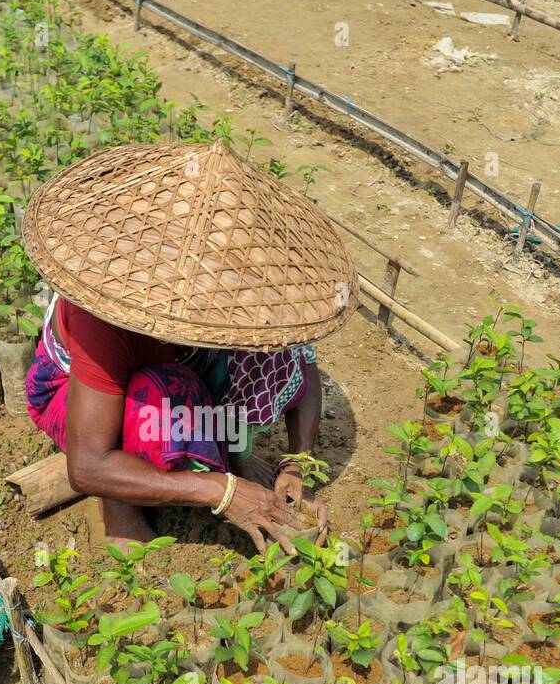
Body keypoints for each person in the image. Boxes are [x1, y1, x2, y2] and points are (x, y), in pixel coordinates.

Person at [20, 139, 355, 551]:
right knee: (159, 403)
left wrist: (298, 463)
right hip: (75, 394)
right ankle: (120, 504)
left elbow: (300, 363)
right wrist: (221, 492)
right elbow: (88, 465)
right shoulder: (105, 319)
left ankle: (230, 446)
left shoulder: (236, 299)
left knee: (266, 350)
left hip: (177, 368)